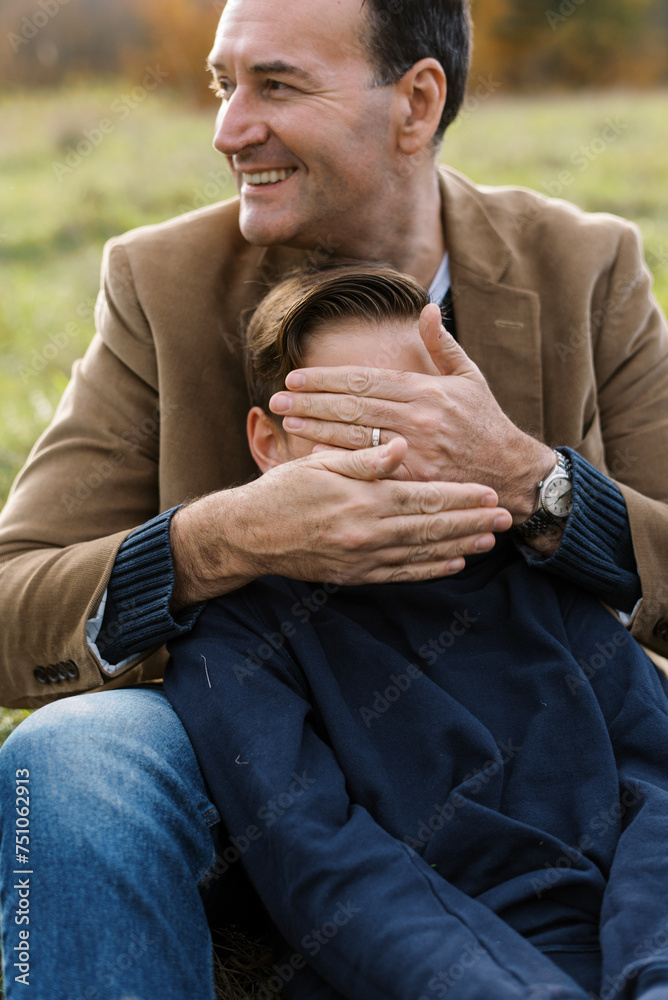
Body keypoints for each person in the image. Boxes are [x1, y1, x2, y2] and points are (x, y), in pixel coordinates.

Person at [0, 0, 667, 996]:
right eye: (224, 85)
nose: (229, 129)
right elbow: (12, 600)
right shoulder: (159, 282)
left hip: (546, 759)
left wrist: (534, 480)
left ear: (415, 102)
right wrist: (221, 539)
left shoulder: (584, 267)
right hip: (266, 755)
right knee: (76, 754)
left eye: (275, 85)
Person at [164, 262, 668, 1000]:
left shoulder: (538, 577)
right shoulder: (241, 633)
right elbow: (322, 863)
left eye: (421, 415)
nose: (395, 453)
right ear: (268, 445)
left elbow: (658, 790)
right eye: (351, 423)